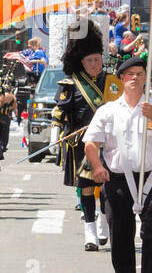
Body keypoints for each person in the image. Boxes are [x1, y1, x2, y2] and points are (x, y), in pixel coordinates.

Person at [83, 53, 152, 273]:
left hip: (150, 179)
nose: (135, 78)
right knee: (121, 237)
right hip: (118, 180)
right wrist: (98, 167)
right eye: (130, 75)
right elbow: (91, 143)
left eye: (140, 74)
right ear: (122, 79)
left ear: (146, 78)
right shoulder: (109, 110)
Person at [50, 20, 118, 251]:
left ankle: (103, 224)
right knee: (87, 187)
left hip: (109, 143)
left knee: (107, 186)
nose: (94, 64)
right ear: (81, 61)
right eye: (89, 60)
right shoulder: (72, 83)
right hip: (82, 143)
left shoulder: (112, 81)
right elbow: (60, 111)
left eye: (97, 59)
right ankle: (89, 230)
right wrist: (54, 136)